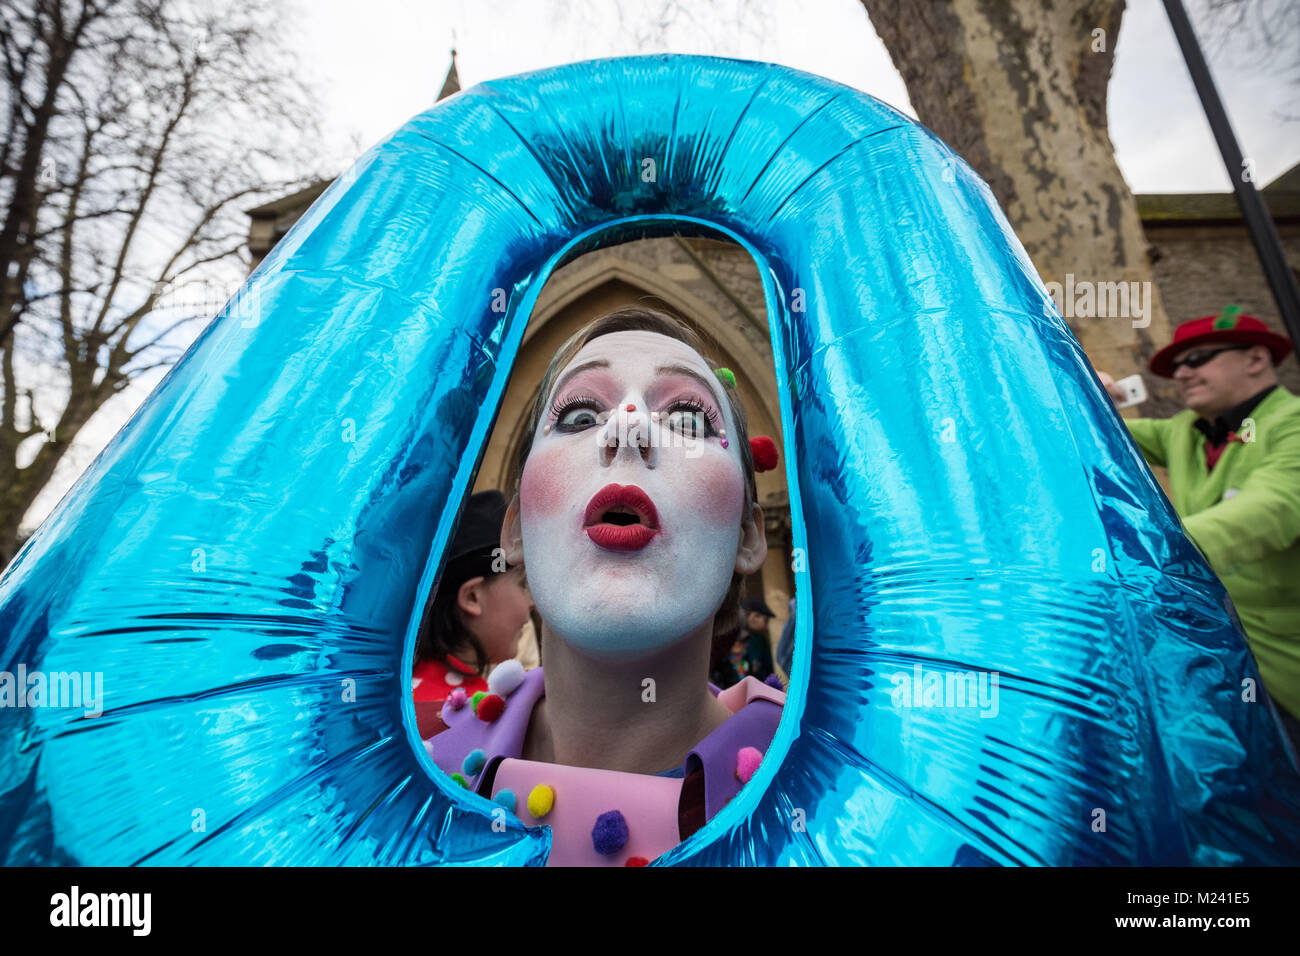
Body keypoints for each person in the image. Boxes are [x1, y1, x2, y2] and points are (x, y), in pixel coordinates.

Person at [427, 306, 785, 866]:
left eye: (688, 418)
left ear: (747, 535)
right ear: (515, 530)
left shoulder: (825, 794)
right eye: (578, 416)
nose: (628, 428)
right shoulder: (404, 776)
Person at [1096, 307, 1300, 750]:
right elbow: (1091, 437)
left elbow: (1274, 507)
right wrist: (1088, 397)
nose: (1182, 374)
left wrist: (1147, 554)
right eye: (1177, 366)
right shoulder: (1184, 431)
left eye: (1198, 358)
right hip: (1220, 662)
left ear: (1256, 358)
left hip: (1286, 664)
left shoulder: (1292, 424)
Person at [412, 490, 533, 737]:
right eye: (522, 584)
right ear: (472, 597)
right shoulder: (481, 714)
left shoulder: (399, 691)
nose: (531, 603)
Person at [736, 596, 777, 684]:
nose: (766, 627)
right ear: (754, 616)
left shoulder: (758, 641)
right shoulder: (756, 640)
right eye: (766, 621)